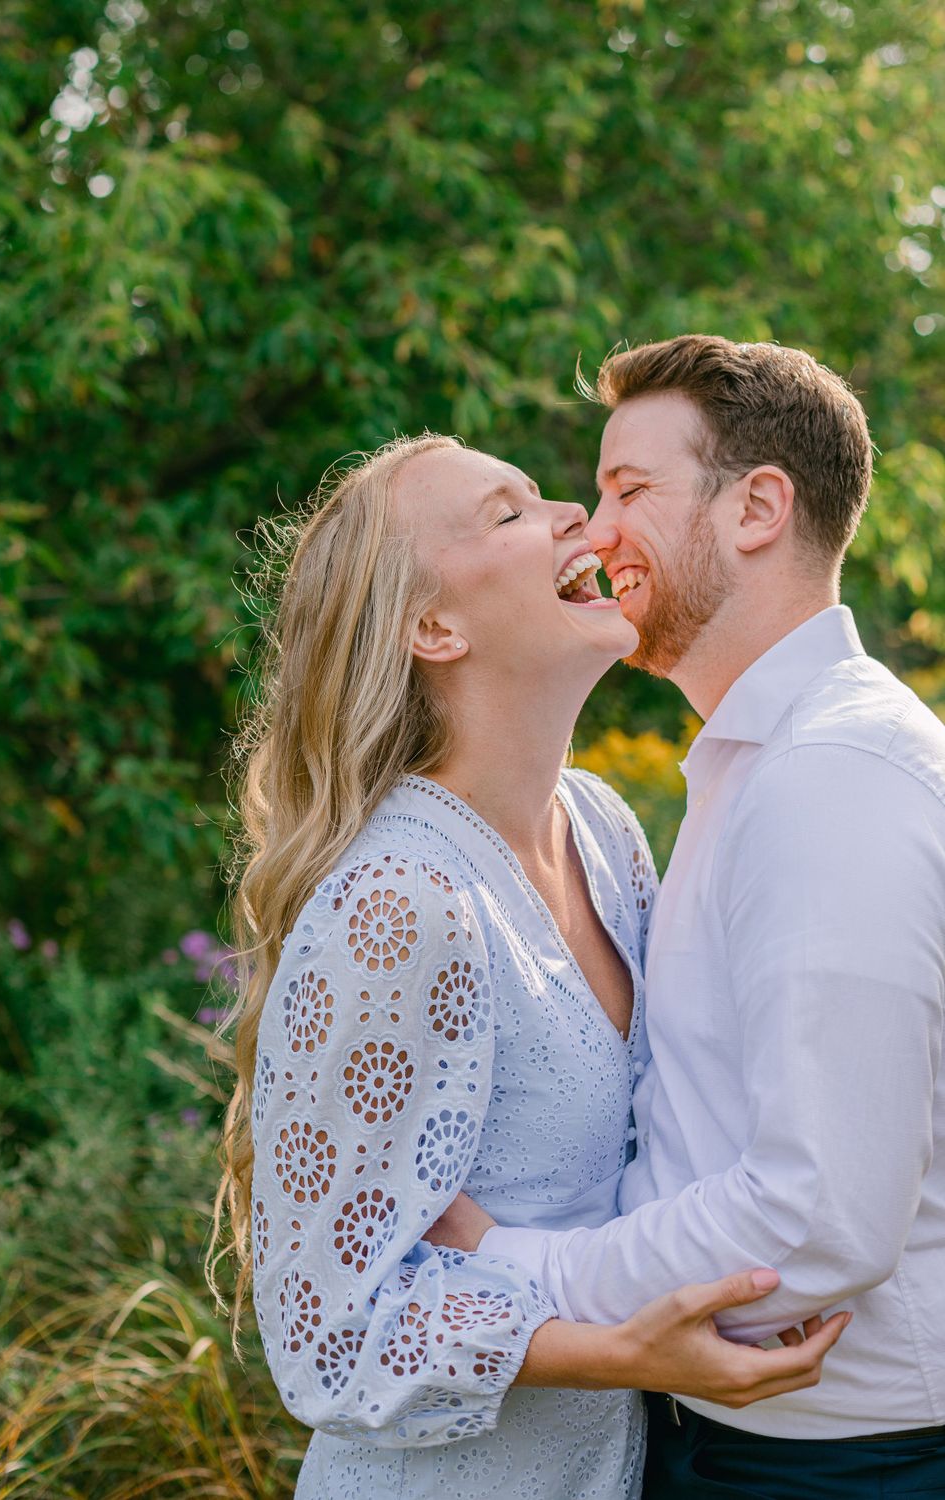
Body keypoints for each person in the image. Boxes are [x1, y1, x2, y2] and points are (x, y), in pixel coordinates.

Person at [209, 431, 847, 1499]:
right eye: (506, 513)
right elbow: (326, 1335)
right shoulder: (397, 905)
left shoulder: (604, 831)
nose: (576, 519)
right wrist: (627, 1355)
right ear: (432, 627)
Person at [428, 336, 945, 1498]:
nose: (595, 531)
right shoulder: (754, 770)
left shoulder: (836, 773)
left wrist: (520, 1270)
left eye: (629, 490)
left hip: (847, 1468)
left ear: (758, 507)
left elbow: (818, 1216)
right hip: (750, 1443)